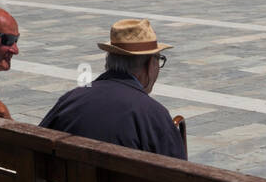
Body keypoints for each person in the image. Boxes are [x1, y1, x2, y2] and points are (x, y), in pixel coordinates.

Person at [39, 19, 186, 159]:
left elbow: (39, 140)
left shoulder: (70, 100)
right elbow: (180, 178)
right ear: (149, 65)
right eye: (158, 59)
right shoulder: (153, 115)